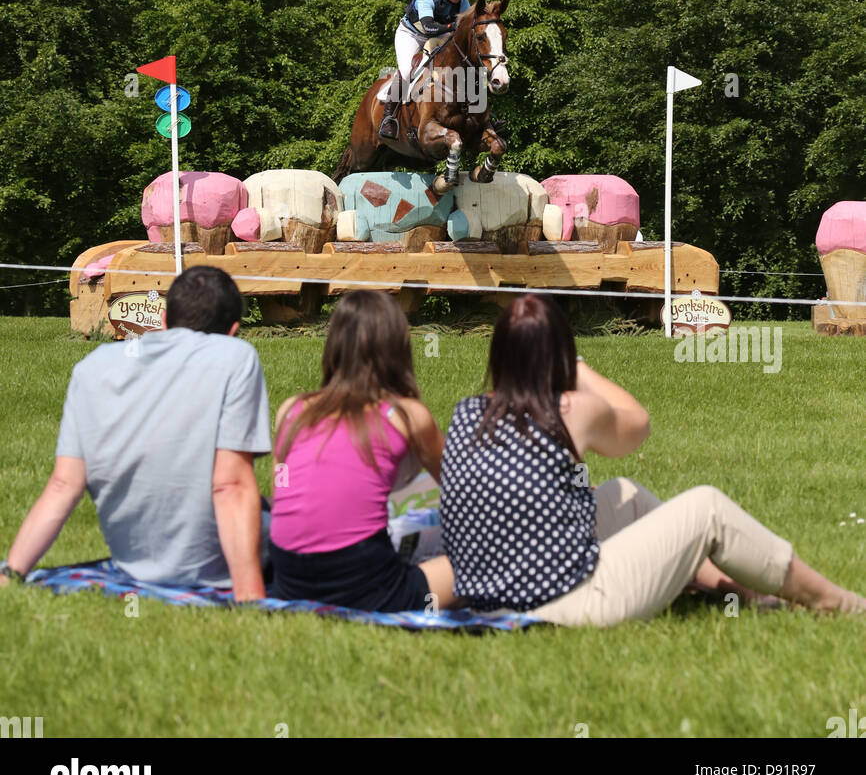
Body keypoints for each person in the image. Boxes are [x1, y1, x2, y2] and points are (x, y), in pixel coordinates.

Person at [440, 294, 866, 624]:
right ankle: (836, 601)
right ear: (560, 357)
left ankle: (732, 590)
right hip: (567, 604)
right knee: (708, 507)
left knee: (621, 493)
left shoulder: (466, 412)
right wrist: (578, 368)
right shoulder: (570, 409)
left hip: (490, 597)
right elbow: (637, 425)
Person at [0, 266, 271, 602]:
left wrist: (12, 571)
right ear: (233, 330)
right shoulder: (236, 357)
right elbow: (229, 484)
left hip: (135, 567)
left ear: (163, 318)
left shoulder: (93, 366)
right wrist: (249, 594)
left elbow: (63, 485)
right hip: (214, 570)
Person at [269, 290, 454, 612]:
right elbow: (463, 487)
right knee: (487, 567)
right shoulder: (407, 415)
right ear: (397, 348)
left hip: (289, 577)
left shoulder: (291, 410)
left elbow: (287, 499)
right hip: (363, 580)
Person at [377, 0, 473, 140]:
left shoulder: (463, 2)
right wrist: (454, 26)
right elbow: (428, 27)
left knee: (461, 66)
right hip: (412, 35)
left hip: (439, 36)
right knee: (406, 72)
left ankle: (480, 116)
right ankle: (388, 119)